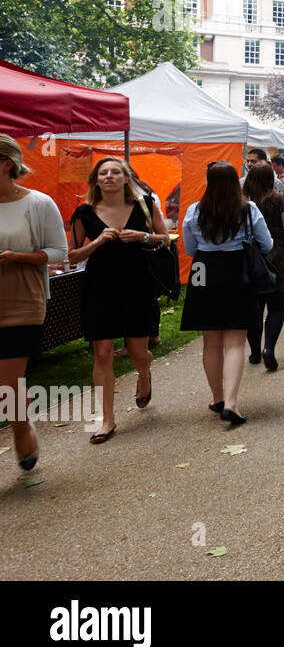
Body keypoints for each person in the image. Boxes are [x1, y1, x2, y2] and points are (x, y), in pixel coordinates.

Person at [68, 156, 166, 444]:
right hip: (100, 287)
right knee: (102, 352)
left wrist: (142, 236)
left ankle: (144, 374)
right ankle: (107, 419)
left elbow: (166, 238)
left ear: (126, 178)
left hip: (137, 286)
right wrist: (97, 242)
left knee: (138, 352)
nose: (109, 176)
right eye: (103, 173)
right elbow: (71, 254)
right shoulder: (84, 212)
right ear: (96, 180)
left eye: (115, 172)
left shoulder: (144, 204)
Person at [180, 161, 273, 425]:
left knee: (211, 341)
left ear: (208, 181)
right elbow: (266, 244)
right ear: (237, 182)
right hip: (237, 271)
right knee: (235, 341)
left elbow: (189, 248)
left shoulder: (193, 211)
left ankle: (217, 397)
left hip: (204, 271)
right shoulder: (248, 209)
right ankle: (231, 403)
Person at [0, 135, 68, 471]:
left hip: (22, 301)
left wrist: (16, 257)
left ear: (6, 164)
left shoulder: (38, 204)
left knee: (7, 383)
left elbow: (60, 253)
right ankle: (19, 419)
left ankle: (21, 426)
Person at [243, 161, 284, 372]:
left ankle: (255, 352)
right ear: (271, 179)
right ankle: (269, 348)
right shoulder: (281, 199)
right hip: (278, 258)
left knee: (253, 310)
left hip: (250, 259)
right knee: (276, 308)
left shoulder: (242, 201)